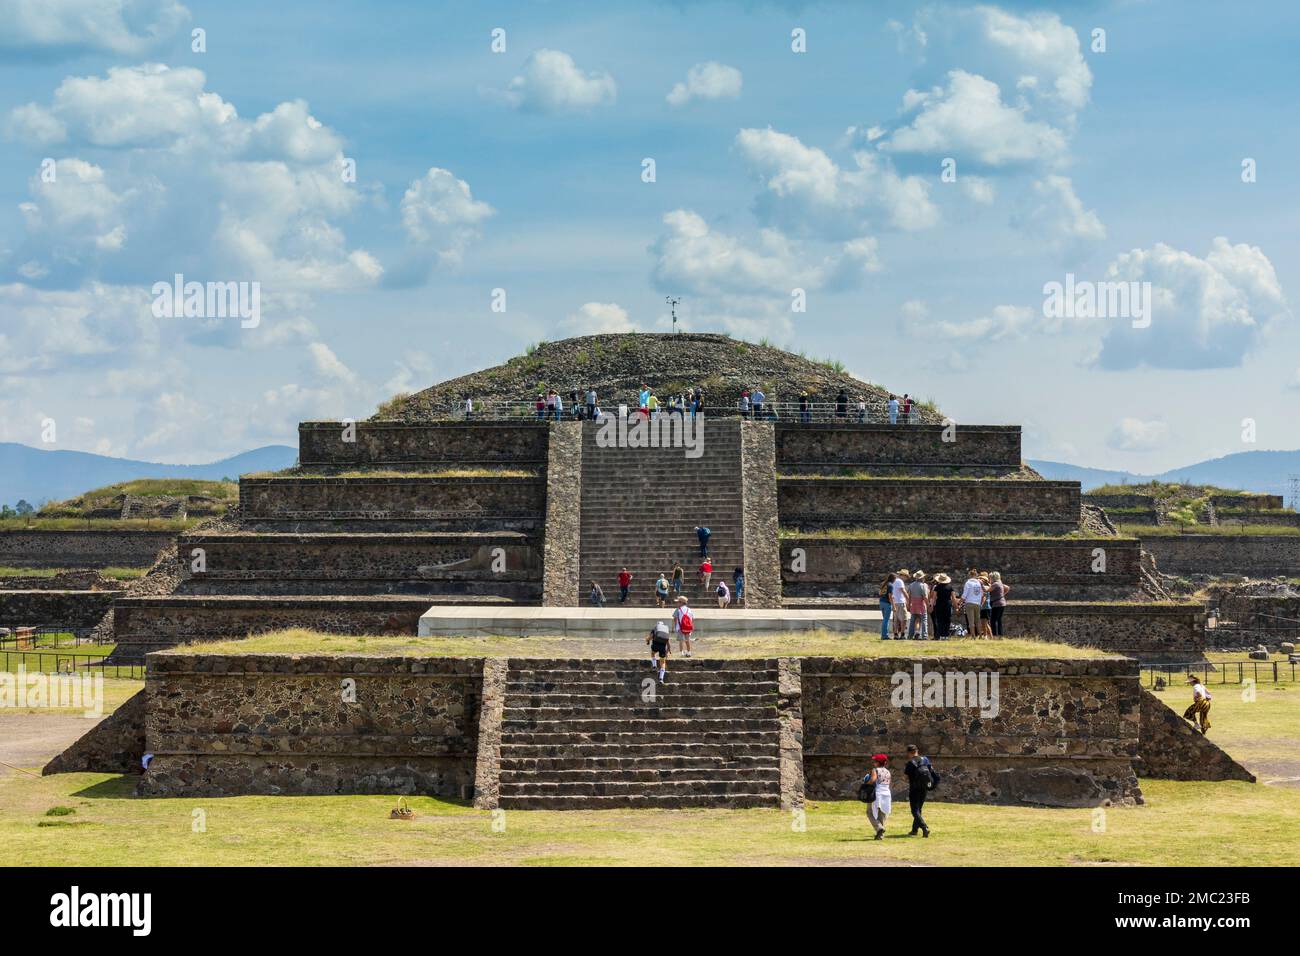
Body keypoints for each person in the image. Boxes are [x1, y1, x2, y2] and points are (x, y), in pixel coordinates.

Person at [903, 744, 936, 837]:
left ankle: (924, 827)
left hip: (914, 788)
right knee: (919, 809)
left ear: (909, 753)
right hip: (925, 787)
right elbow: (931, 771)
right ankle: (914, 830)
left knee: (914, 810)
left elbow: (905, 777)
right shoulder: (925, 759)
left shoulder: (910, 763)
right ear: (917, 751)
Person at [866, 754, 892, 840]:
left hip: (877, 793)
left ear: (877, 763)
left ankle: (879, 828)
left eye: (875, 761)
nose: (873, 763)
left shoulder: (875, 770)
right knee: (882, 814)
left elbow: (873, 780)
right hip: (887, 794)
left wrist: (866, 783)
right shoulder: (888, 771)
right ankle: (880, 835)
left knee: (870, 812)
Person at [906, 570, 930, 640]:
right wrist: (928, 605)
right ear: (922, 578)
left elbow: (909, 596)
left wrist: (908, 605)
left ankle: (910, 635)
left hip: (913, 604)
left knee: (912, 620)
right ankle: (924, 636)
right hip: (921, 604)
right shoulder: (923, 586)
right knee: (924, 620)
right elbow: (925, 597)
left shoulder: (911, 585)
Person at [930, 572, 955, 640]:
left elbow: (934, 597)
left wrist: (932, 606)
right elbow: (953, 598)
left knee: (940, 620)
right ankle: (946, 635)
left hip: (939, 604)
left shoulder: (937, 587)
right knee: (947, 620)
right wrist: (956, 606)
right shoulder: (950, 587)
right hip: (947, 604)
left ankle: (941, 635)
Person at [960, 569, 983, 638]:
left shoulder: (968, 583)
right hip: (977, 603)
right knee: (978, 620)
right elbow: (981, 594)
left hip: (969, 602)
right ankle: (980, 635)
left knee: (971, 621)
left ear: (970, 575)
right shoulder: (979, 583)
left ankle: (973, 636)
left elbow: (965, 594)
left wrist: (960, 601)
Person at [988, 571, 1010, 637]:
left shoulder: (995, 584)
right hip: (1002, 603)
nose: (989, 579)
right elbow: (1007, 587)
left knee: (993, 620)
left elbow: (987, 590)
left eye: (990, 578)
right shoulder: (1000, 583)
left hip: (996, 604)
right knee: (999, 620)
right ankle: (1000, 635)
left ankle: (995, 635)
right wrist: (1002, 594)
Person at [890, 569, 909, 639]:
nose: (906, 578)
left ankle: (895, 634)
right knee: (904, 619)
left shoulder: (893, 581)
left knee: (896, 620)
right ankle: (902, 634)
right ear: (902, 575)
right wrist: (908, 599)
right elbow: (903, 591)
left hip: (894, 602)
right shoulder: (900, 581)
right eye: (906, 576)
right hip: (900, 602)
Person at [878, 573, 895, 639]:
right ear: (893, 579)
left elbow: (880, 593)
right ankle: (884, 635)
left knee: (885, 619)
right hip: (887, 603)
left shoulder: (884, 584)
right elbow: (890, 596)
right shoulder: (890, 585)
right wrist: (893, 606)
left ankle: (884, 634)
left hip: (881, 602)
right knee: (886, 620)